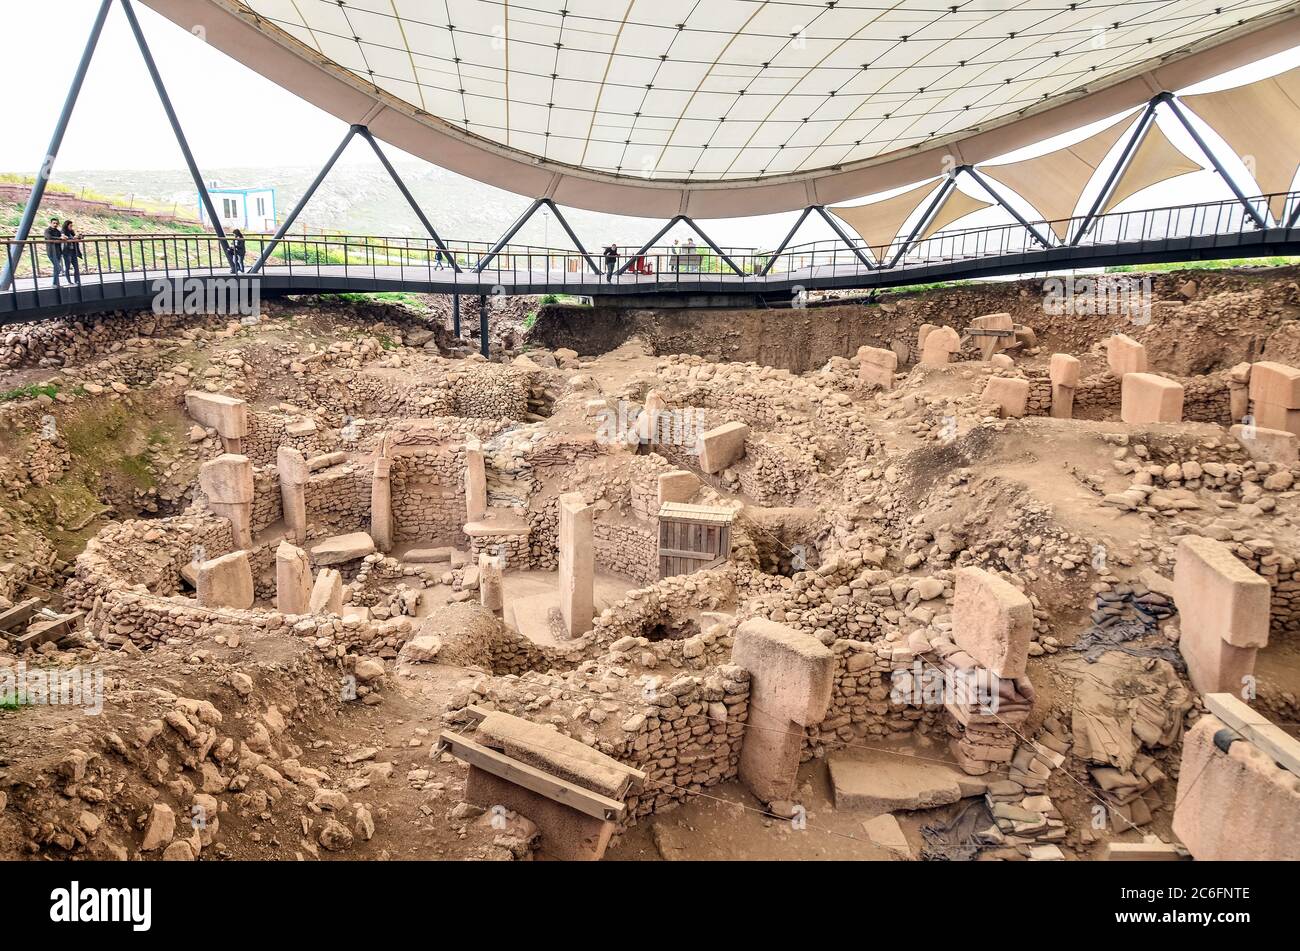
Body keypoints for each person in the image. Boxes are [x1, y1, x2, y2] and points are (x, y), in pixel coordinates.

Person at [42, 217, 63, 287]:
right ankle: (55, 283)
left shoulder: (58, 231)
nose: (55, 224)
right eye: (54, 223)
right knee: (58, 268)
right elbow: (49, 237)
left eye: (56, 223)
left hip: (58, 251)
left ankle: (55, 283)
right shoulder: (47, 231)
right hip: (51, 251)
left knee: (56, 268)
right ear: (51, 223)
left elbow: (62, 237)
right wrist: (60, 238)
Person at [61, 220, 82, 285]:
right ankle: (69, 281)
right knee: (67, 267)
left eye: (72, 226)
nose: (71, 227)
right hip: (67, 251)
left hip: (73, 251)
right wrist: (73, 238)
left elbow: (74, 238)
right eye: (70, 226)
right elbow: (65, 238)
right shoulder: (63, 231)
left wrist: (78, 237)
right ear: (67, 225)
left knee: (76, 267)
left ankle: (77, 280)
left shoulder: (72, 232)